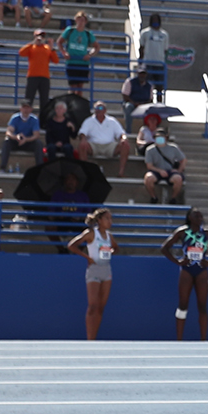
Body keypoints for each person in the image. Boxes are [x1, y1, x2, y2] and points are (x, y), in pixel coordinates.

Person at [161, 209, 208, 341]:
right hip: (186, 270)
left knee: (202, 306)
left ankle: (203, 340)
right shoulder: (182, 232)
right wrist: (177, 261)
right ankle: (179, 340)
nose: (199, 217)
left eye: (201, 215)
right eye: (196, 215)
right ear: (189, 217)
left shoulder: (207, 233)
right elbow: (164, 248)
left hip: (201, 271)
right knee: (183, 305)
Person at [66, 208, 118, 341]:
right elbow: (72, 245)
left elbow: (116, 248)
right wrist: (87, 257)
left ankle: (94, 338)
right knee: (93, 305)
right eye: (107, 218)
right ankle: (89, 339)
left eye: (111, 219)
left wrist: (109, 251)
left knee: (101, 307)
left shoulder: (109, 235)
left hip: (106, 270)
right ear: (99, 220)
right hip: (94, 269)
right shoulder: (91, 233)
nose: (110, 221)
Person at [76, 101, 131, 176]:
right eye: (96, 108)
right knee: (82, 145)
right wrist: (83, 139)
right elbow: (82, 133)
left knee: (125, 145)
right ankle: (85, 171)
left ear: (105, 110)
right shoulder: (89, 120)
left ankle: (121, 172)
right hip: (93, 146)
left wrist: (124, 139)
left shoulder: (112, 121)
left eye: (101, 107)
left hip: (110, 146)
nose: (98, 110)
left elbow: (121, 133)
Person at [17, 29, 58, 113]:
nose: (40, 38)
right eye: (38, 36)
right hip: (32, 76)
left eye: (42, 36)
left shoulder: (47, 48)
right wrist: (33, 43)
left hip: (45, 77)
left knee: (44, 100)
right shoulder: (31, 47)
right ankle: (26, 117)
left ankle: (43, 120)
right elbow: (21, 53)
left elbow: (56, 60)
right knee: (28, 99)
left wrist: (52, 48)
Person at [143, 127, 186, 204]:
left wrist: (179, 170)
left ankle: (173, 198)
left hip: (170, 171)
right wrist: (160, 171)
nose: (159, 138)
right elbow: (149, 166)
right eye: (157, 137)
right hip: (156, 171)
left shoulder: (173, 148)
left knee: (178, 178)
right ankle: (154, 197)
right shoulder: (149, 150)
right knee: (148, 178)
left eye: (161, 137)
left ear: (166, 138)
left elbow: (183, 160)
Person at [58, 12, 98, 94]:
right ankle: (71, 104)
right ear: (76, 20)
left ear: (85, 22)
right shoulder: (70, 30)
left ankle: (79, 105)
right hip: (71, 61)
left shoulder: (88, 33)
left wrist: (89, 55)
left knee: (80, 87)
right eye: (79, 19)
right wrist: (64, 53)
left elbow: (96, 47)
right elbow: (59, 42)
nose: (81, 22)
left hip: (82, 63)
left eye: (83, 20)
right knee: (72, 86)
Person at [1, 100, 43, 173]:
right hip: (16, 141)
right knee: (6, 142)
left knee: (38, 144)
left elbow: (36, 135)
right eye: (24, 107)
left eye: (28, 108)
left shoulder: (34, 119)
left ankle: (40, 169)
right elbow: (8, 132)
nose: (25, 110)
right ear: (20, 108)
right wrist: (16, 137)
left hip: (28, 142)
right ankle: (2, 168)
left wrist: (26, 139)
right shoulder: (15, 118)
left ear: (31, 109)